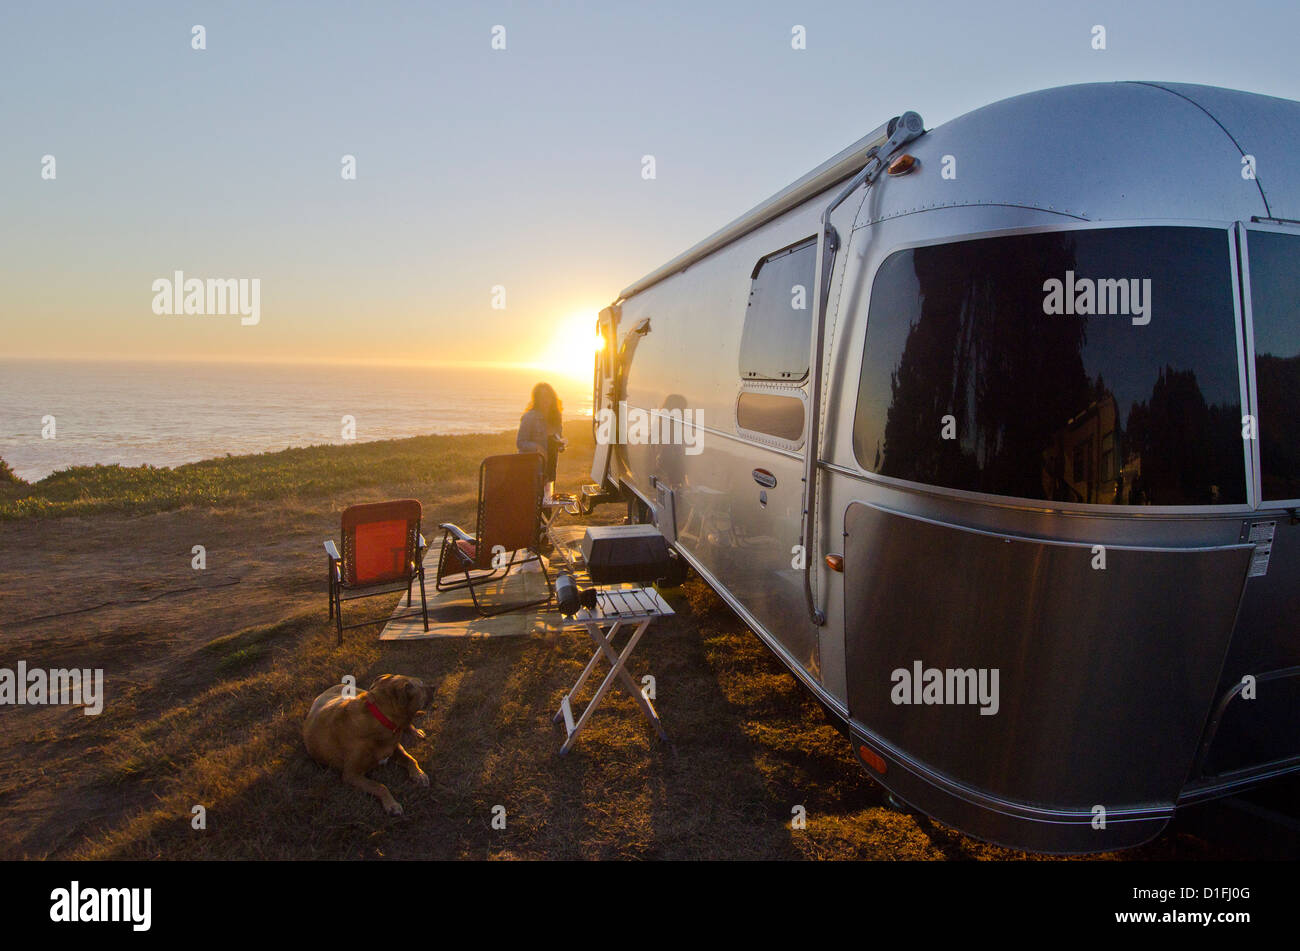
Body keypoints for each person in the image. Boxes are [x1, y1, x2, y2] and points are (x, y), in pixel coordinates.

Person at [517, 382, 565, 501]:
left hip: (550, 467)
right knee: (533, 503)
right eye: (541, 397)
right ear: (536, 399)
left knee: (547, 502)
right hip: (532, 468)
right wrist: (538, 448)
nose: (545, 400)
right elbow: (520, 442)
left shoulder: (556, 417)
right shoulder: (529, 417)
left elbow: (557, 439)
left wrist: (561, 445)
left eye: (548, 396)